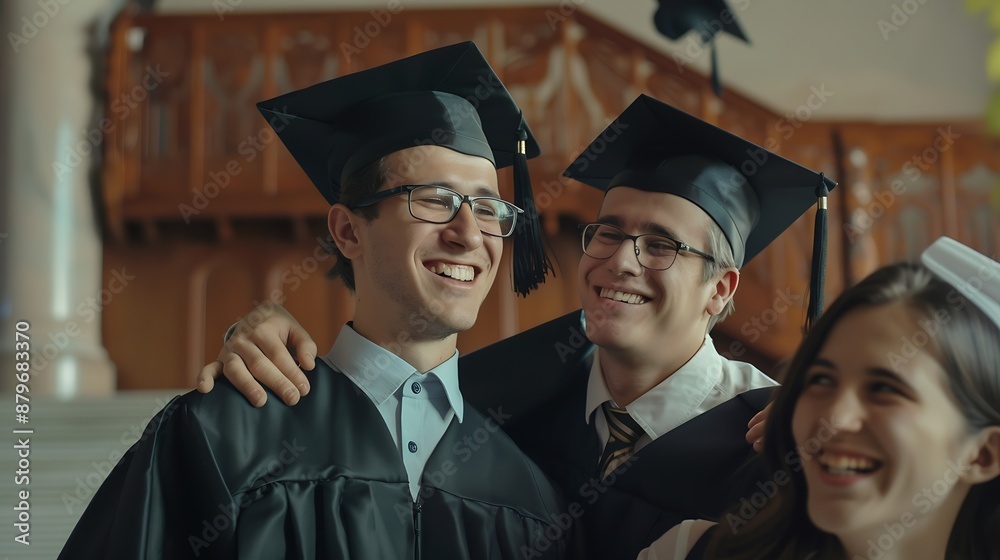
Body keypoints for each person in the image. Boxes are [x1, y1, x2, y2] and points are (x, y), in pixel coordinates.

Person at [197, 94, 837, 559]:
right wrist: (256, 331)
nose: (619, 261)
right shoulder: (507, 397)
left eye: (662, 244)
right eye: (607, 232)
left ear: (721, 290)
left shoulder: (776, 433)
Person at [58, 42, 577, 559]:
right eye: (434, 201)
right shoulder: (224, 436)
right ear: (349, 231)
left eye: (488, 208)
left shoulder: (529, 499)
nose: (469, 233)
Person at [639, 236, 1000, 560]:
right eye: (822, 379)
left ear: (983, 453)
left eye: (885, 389)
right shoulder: (689, 552)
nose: (833, 417)